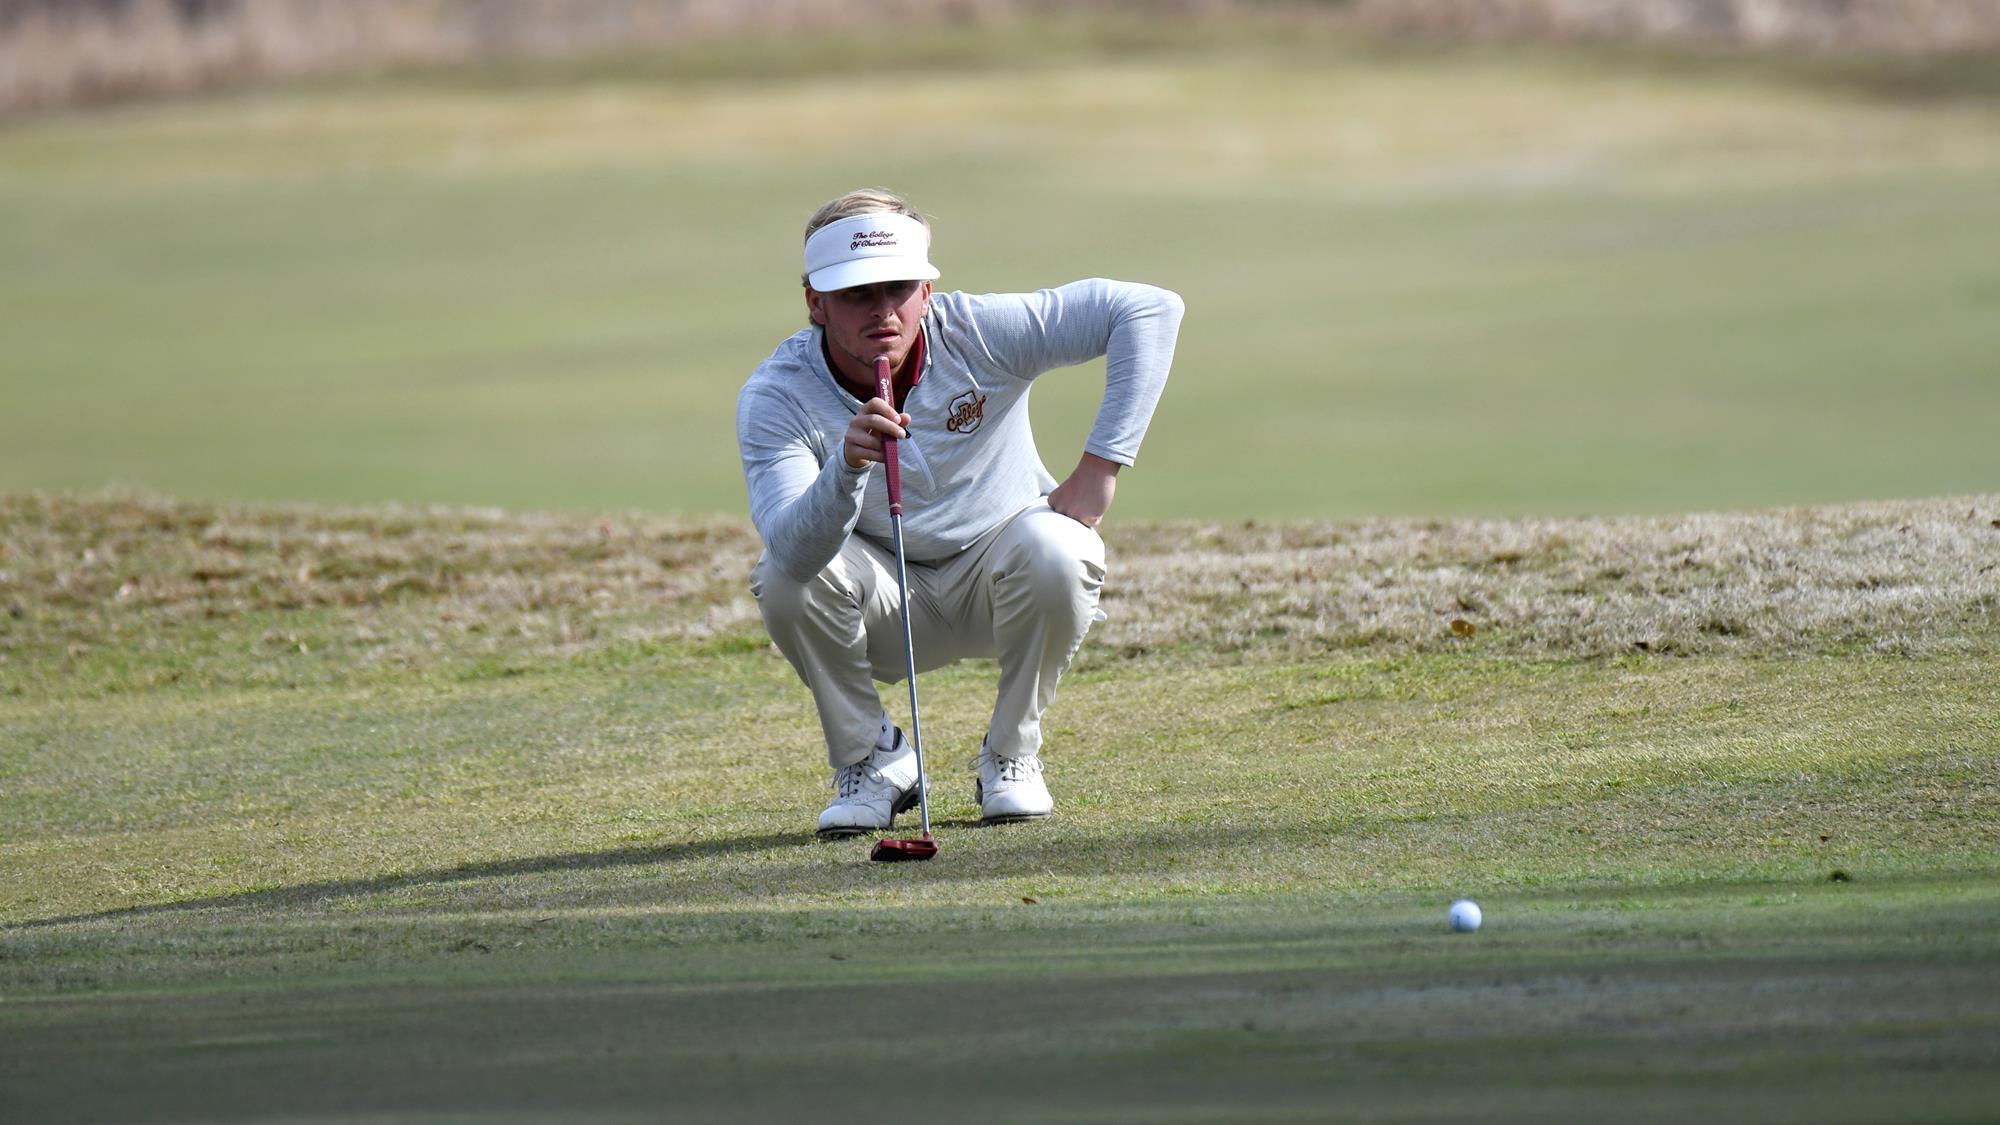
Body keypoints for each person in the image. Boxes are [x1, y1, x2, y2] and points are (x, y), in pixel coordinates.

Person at [736, 188, 1183, 838]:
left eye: (898, 288)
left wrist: (1100, 469)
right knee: (779, 578)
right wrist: (847, 469)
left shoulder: (977, 332)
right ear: (815, 301)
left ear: (926, 291)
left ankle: (1010, 754)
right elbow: (794, 554)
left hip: (1001, 580)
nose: (882, 310)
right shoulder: (777, 395)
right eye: (857, 293)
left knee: (1065, 548)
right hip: (885, 603)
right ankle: (872, 759)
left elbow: (1149, 309)